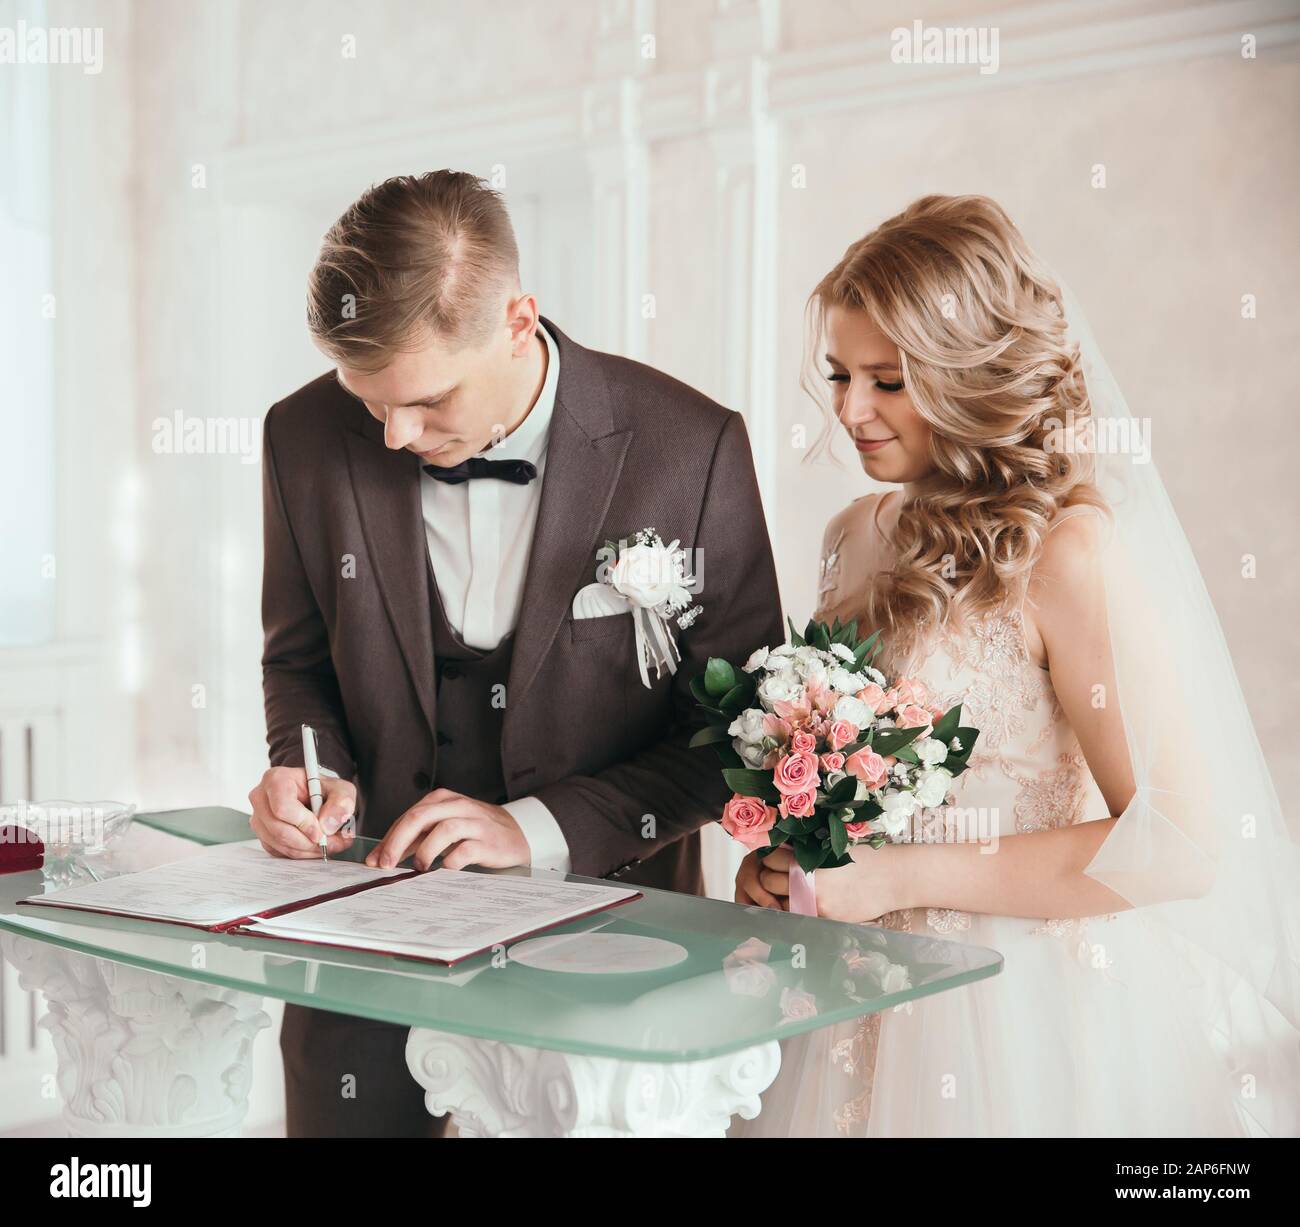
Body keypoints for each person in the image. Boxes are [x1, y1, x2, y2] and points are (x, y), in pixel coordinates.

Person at [734, 194, 1300, 1137]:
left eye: (888, 379)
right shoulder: (853, 536)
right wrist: (791, 858)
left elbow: (1177, 843)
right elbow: (857, 785)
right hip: (849, 990)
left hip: (1010, 1010)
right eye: (840, 375)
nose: (851, 409)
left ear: (969, 376)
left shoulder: (1066, 555)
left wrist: (899, 878)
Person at [249, 170, 784, 1137]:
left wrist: (535, 829)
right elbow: (297, 661)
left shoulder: (687, 447)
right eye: (367, 399)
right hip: (362, 939)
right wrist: (304, 765)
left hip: (611, 945)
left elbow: (745, 734)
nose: (393, 434)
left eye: (425, 400)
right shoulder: (300, 434)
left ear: (517, 317)